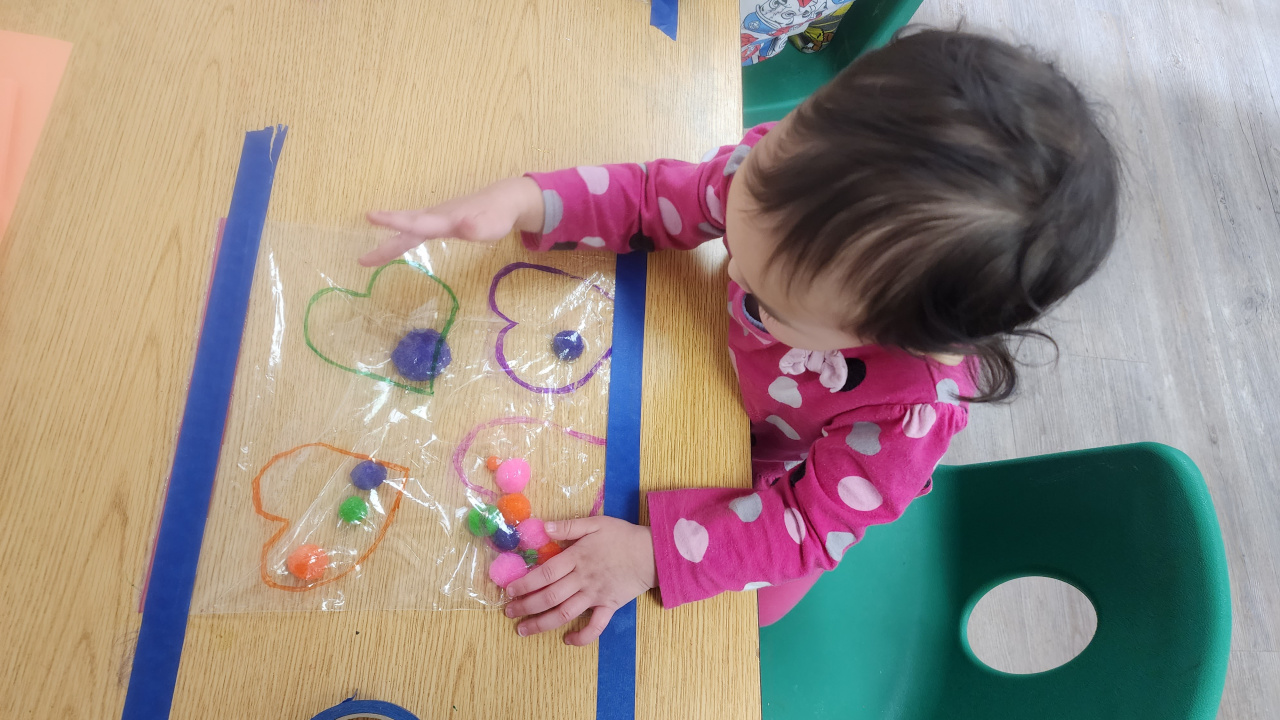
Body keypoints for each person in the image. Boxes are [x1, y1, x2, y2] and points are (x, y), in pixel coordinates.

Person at [358, 29, 1120, 646]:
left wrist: (654, 554)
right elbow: (658, 198)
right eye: (745, 201)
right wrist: (526, 199)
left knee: (735, 617)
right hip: (693, 381)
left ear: (894, 339)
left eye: (766, 294)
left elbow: (804, 527)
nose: (735, 245)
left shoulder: (902, 415)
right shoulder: (785, 184)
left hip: (777, 486)